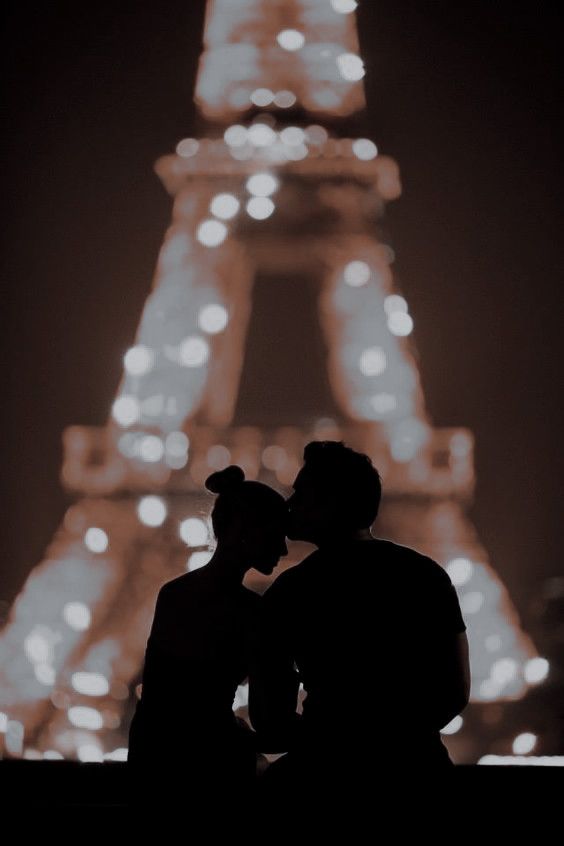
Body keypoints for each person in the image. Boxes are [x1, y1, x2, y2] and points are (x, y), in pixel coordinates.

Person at [249, 440, 470, 798]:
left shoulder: (291, 591)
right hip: (419, 771)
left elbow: (272, 721)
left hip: (324, 776)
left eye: (301, 494)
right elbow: (455, 691)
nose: (290, 505)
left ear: (330, 503)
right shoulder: (426, 575)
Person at [128, 465, 288, 806]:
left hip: (155, 769)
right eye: (277, 535)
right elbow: (268, 723)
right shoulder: (253, 613)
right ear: (245, 531)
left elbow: (161, 711)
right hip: (214, 776)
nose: (284, 549)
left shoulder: (172, 594)